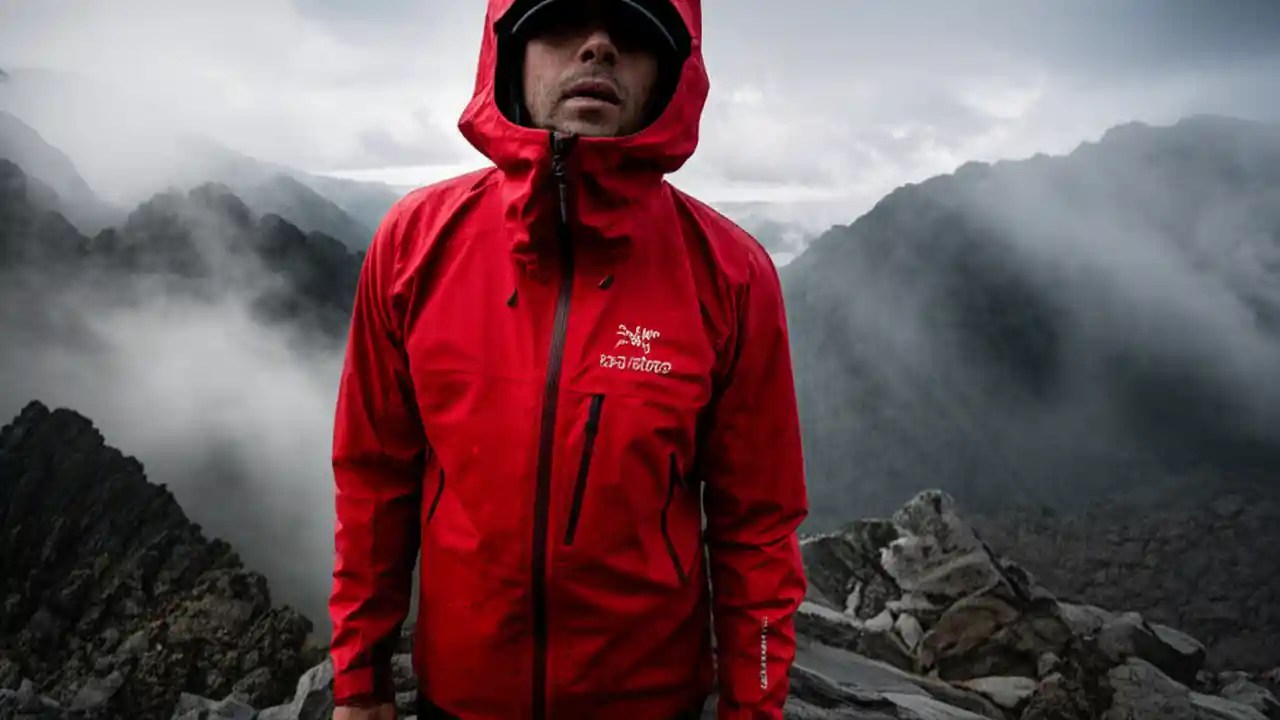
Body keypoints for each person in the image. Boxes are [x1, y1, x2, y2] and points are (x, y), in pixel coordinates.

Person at [328, 1, 809, 718]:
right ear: (509, 55)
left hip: (649, 704)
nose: (598, 47)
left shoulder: (731, 275)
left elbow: (756, 528)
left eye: (635, 32)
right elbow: (375, 480)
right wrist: (360, 684)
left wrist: (756, 709)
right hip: (459, 700)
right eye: (563, 22)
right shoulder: (413, 246)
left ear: (671, 75)